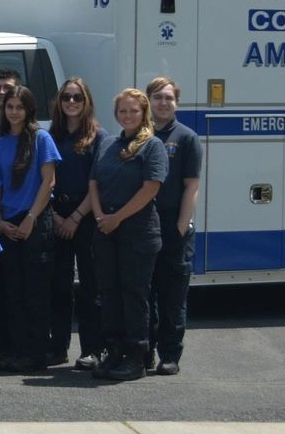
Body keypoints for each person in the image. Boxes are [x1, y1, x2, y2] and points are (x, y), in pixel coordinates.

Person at [86, 87, 168, 383]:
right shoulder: (107, 142)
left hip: (137, 233)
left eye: (134, 110)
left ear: (144, 113)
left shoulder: (153, 145)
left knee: (134, 294)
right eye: (123, 110)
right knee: (108, 293)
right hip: (106, 230)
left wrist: (116, 218)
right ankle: (115, 351)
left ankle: (137, 356)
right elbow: (93, 183)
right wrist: (100, 218)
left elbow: (151, 188)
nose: (128, 115)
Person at [0, 88, 61, 372]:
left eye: (20, 106)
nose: (14, 112)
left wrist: (31, 217)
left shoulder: (42, 138)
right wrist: (2, 222)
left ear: (28, 110)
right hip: (8, 223)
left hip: (35, 220)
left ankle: (36, 352)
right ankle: (16, 349)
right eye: (10, 107)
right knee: (12, 291)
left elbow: (49, 182)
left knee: (36, 291)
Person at [48, 78, 109, 373]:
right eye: (66, 98)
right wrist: (57, 216)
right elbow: (44, 179)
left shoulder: (99, 137)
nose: (71, 102)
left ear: (87, 102)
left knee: (90, 288)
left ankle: (92, 350)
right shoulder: (52, 136)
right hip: (57, 215)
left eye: (77, 98)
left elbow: (97, 184)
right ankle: (57, 348)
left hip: (85, 220)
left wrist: (75, 217)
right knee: (58, 287)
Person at [146, 77, 203, 377]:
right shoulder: (140, 135)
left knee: (172, 296)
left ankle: (169, 355)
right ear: (148, 101)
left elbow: (191, 186)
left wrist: (181, 226)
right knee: (145, 292)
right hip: (143, 225)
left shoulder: (186, 137)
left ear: (177, 102)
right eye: (157, 98)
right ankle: (144, 349)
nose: (163, 103)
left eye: (168, 98)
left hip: (173, 225)